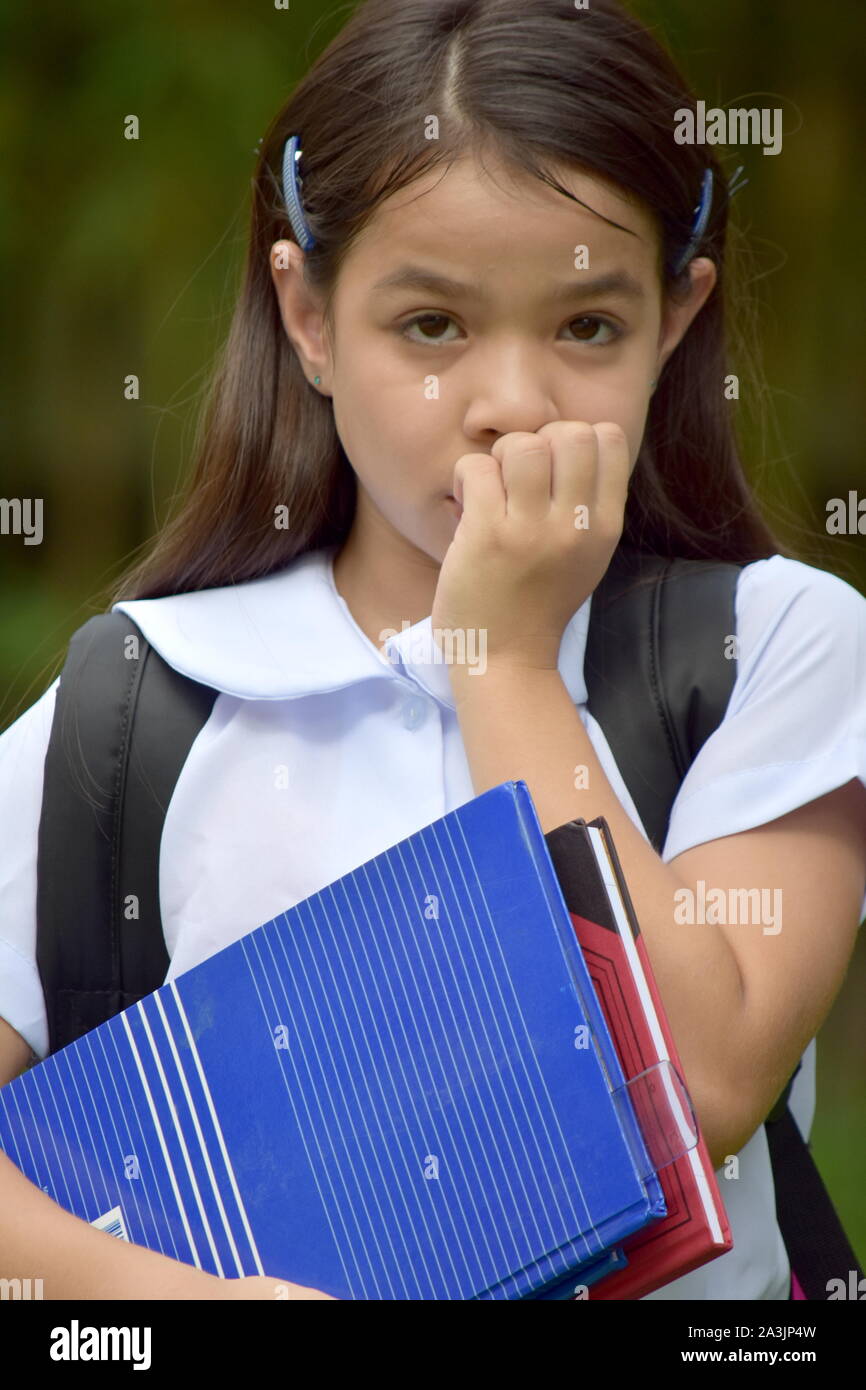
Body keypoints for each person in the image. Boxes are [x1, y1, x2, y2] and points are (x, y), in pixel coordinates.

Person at [1, 0, 864, 1302]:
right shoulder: (139, 705)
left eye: (587, 325)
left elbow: (692, 1085)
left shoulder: (775, 644)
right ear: (307, 316)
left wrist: (503, 661)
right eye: (431, 326)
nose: (510, 404)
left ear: (675, 319)